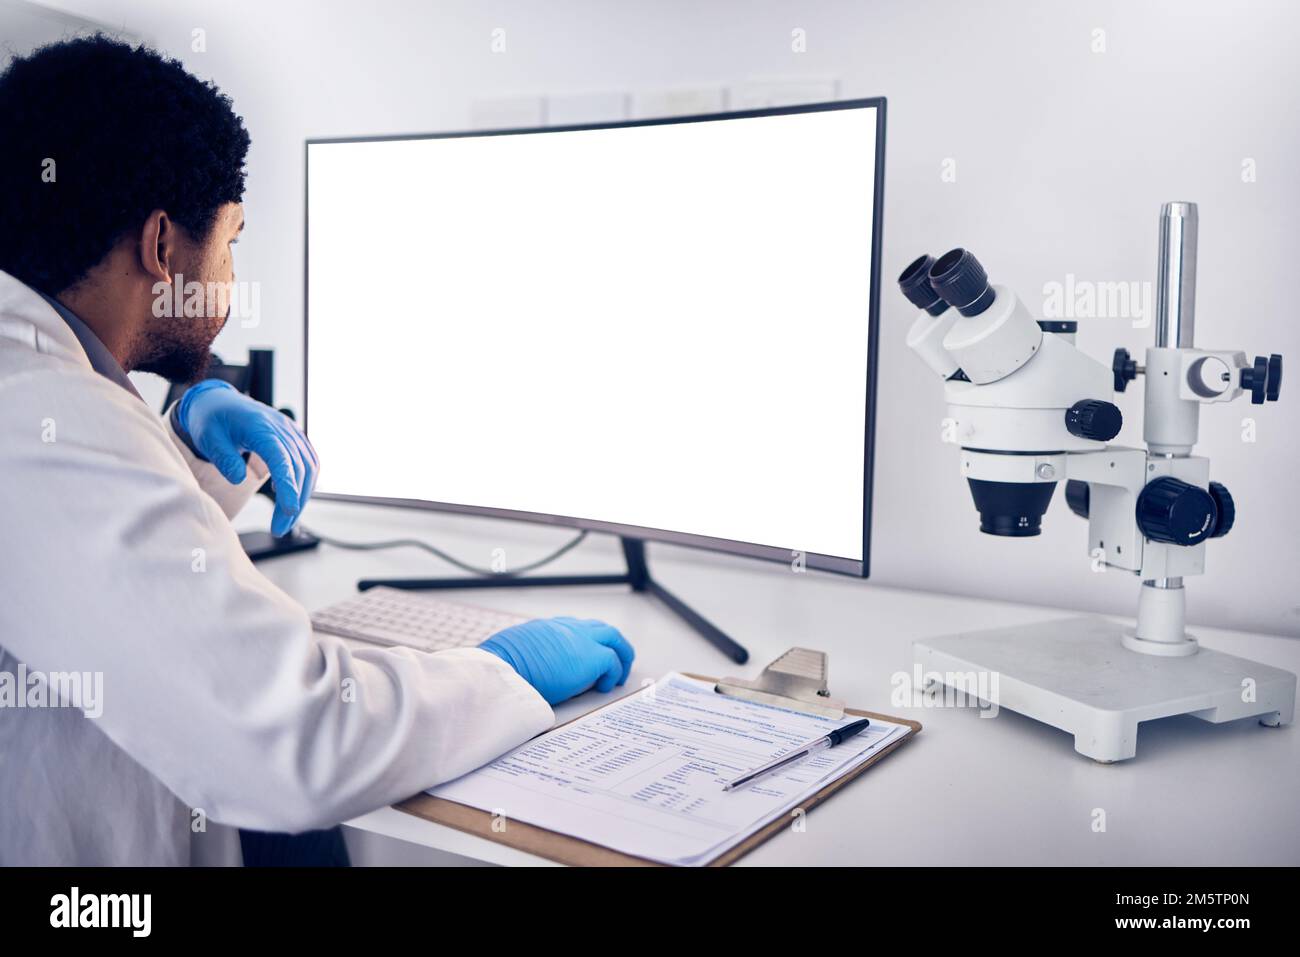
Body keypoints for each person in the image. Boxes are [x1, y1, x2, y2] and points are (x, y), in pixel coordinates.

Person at [0, 35, 635, 866]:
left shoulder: (41, 388)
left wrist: (187, 451)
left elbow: (92, 540)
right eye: (230, 241)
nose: (231, 275)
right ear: (163, 248)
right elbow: (297, 740)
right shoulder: (39, 409)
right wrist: (498, 670)